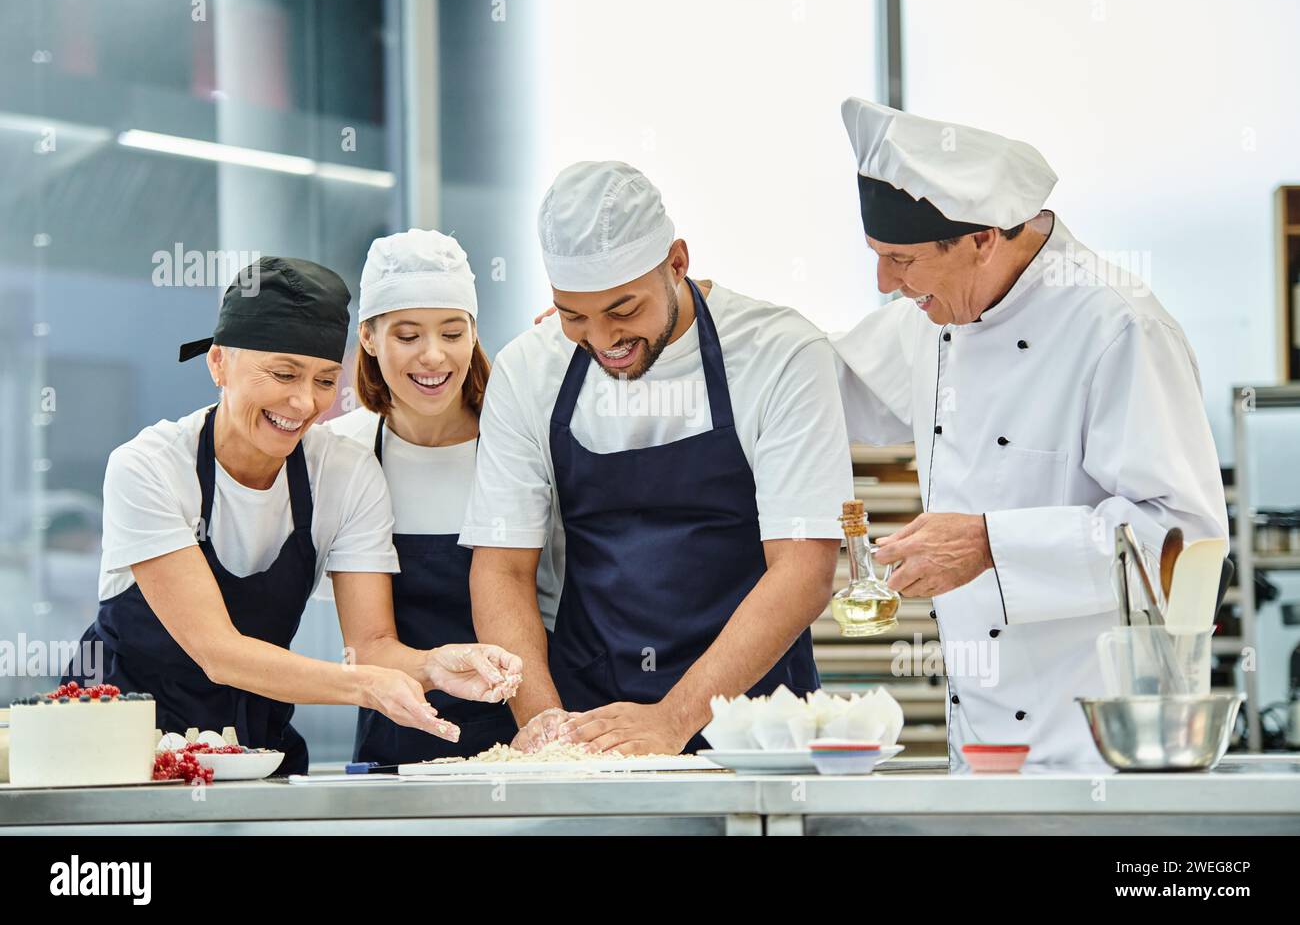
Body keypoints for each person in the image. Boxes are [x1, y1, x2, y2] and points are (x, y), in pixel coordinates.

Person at [831, 98, 1228, 768]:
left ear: (983, 237)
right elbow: (822, 392)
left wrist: (993, 543)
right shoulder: (933, 319)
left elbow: (1182, 544)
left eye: (900, 259)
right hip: (980, 753)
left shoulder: (1119, 327)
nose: (884, 283)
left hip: (1099, 753)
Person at [64, 258, 520, 774]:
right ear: (218, 363)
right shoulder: (150, 467)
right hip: (117, 744)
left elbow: (371, 646)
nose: (304, 402)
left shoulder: (343, 472)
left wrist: (432, 665)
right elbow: (218, 652)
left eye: (325, 381)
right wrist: (364, 686)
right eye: (283, 374)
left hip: (252, 748)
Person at [463, 161, 854, 755]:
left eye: (623, 311)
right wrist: (545, 728)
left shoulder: (780, 352)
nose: (602, 340)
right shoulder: (528, 369)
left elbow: (804, 569)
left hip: (757, 727)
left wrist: (673, 719)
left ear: (677, 262)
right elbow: (502, 568)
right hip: (588, 713)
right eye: (574, 316)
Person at [328, 229, 522, 761]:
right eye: (408, 335)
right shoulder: (342, 452)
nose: (434, 357)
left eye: (453, 333)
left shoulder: (520, 442)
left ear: (474, 334)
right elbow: (364, 646)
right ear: (368, 337)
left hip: (528, 727)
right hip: (397, 740)